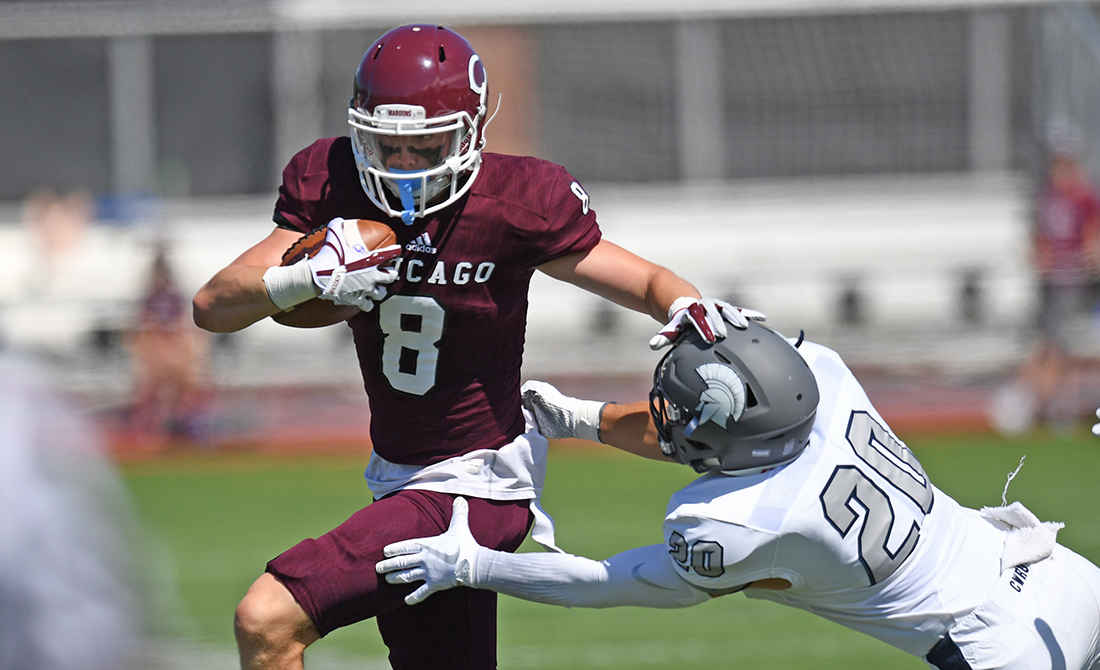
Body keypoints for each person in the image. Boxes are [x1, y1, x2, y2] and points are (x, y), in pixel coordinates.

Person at [191, 24, 761, 670]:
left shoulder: (517, 199)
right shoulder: (333, 184)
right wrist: (302, 279)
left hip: (478, 485)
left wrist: (685, 303)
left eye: (424, 145)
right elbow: (213, 305)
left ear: (470, 133)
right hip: (399, 479)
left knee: (266, 619)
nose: (402, 166)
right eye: (387, 145)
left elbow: (648, 280)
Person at [378, 322, 1100, 670]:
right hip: (1062, 576)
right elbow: (735, 374)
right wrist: (584, 420)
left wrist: (474, 566)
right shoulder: (821, 376)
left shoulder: (735, 524)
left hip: (999, 649)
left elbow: (610, 583)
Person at [990, 125, 1100, 434]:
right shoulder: (1047, 193)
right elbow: (1039, 235)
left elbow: (1092, 234)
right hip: (1052, 280)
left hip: (1073, 279)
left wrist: (1088, 260)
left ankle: (1035, 402)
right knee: (1052, 344)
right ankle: (1053, 405)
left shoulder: (1083, 193)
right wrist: (1040, 258)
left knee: (1054, 344)